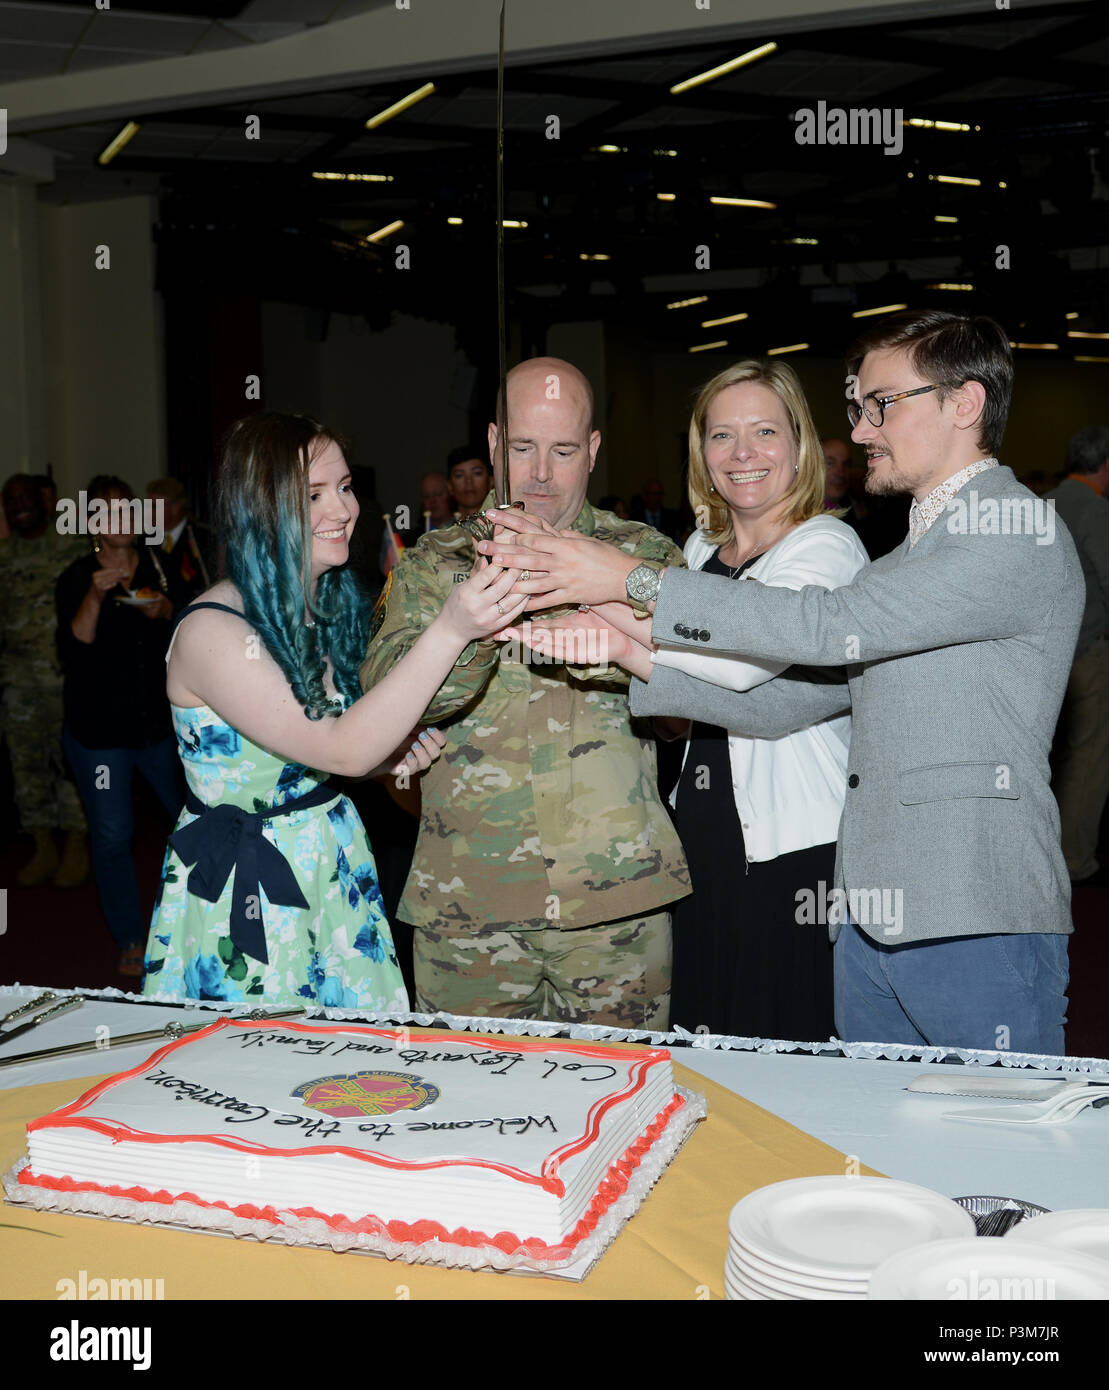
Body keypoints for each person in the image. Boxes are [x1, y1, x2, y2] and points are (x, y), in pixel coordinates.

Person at [483, 311, 1084, 1055]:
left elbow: (823, 626)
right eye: (857, 408)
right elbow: (782, 705)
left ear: (963, 404)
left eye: (880, 405)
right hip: (869, 923)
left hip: (970, 914)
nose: (861, 431)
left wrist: (631, 579)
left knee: (998, 1158)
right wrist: (621, 642)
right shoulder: (907, 559)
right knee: (876, 1148)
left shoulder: (1007, 529)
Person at [510, 363, 868, 1039]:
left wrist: (604, 591)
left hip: (791, 845)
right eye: (721, 434)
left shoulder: (826, 546)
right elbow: (679, 682)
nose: (742, 453)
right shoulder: (700, 548)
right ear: (699, 452)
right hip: (701, 829)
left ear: (798, 446)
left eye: (764, 431)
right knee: (706, 1039)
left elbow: (739, 660)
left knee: (782, 1038)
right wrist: (590, 599)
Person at [142, 412, 524, 1010]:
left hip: (329, 859)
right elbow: (341, 745)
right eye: (313, 494)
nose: (342, 509)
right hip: (249, 884)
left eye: (344, 487)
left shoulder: (324, 610)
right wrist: (452, 628)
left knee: (352, 1079)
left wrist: (386, 755)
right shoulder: (214, 630)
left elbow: (327, 756)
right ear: (260, 509)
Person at [361, 357, 689, 1028]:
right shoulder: (434, 564)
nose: (540, 472)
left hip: (616, 903)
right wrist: (475, 621)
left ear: (592, 450)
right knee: (466, 1112)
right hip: (467, 906)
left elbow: (695, 701)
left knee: (623, 1104)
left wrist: (611, 628)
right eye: (521, 448)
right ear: (491, 445)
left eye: (563, 450)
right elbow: (387, 707)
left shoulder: (644, 558)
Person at [56, 476, 183, 973]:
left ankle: (196, 922)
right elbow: (72, 647)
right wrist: (93, 595)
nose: (122, 521)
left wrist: (166, 609)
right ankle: (131, 935)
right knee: (113, 833)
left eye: (129, 511)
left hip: (159, 726)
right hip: (100, 732)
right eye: (109, 513)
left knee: (193, 822)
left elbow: (192, 624)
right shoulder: (76, 576)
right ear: (93, 525)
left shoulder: (160, 566)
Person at [0, 474, 89, 888]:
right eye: (10, 501)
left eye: (24, 498)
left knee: (69, 765)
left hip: (64, 681)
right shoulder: (2, 556)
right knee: (27, 767)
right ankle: (42, 845)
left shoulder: (71, 550)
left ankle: (75, 844)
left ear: (43, 501)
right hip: (17, 684)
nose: (18, 506)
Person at [1048, 426, 1109, 885]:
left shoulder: (1042, 502)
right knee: (1090, 759)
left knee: (1060, 758)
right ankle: (1074, 859)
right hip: (1088, 652)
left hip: (1046, 654)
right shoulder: (1095, 510)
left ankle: (1052, 852)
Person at [145, 477, 213, 613]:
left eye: (154, 506)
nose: (148, 512)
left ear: (176, 507)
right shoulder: (144, 541)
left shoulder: (204, 539)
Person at [630, 477, 683, 542]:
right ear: (645, 496)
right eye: (653, 494)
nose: (657, 498)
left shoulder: (672, 516)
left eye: (660, 494)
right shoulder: (635, 518)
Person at [447, 447, 494, 517]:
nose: (468, 481)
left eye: (477, 473)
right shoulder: (442, 528)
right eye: (459, 475)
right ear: (450, 486)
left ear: (491, 481)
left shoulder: (504, 526)